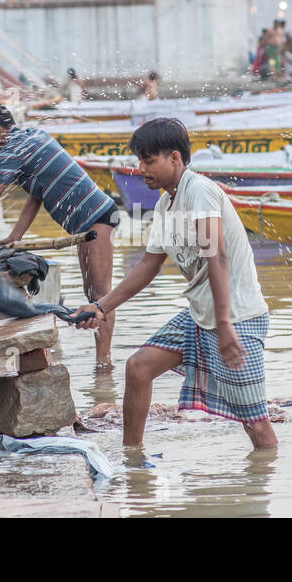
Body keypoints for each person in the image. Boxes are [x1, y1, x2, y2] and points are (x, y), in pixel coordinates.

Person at [73, 118, 276, 450]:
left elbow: (217, 257)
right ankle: (132, 458)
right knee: (138, 368)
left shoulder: (200, 192)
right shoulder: (167, 204)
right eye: (139, 160)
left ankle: (262, 489)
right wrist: (100, 306)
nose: (141, 169)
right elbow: (149, 265)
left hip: (238, 317)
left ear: (175, 159)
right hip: (200, 315)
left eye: (149, 161)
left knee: (255, 423)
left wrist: (224, 325)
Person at [0, 104, 119, 365]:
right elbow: (37, 192)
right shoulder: (31, 136)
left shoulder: (11, 151)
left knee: (101, 297)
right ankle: (102, 362)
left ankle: (103, 367)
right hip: (87, 223)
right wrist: (15, 235)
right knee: (93, 294)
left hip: (98, 218)